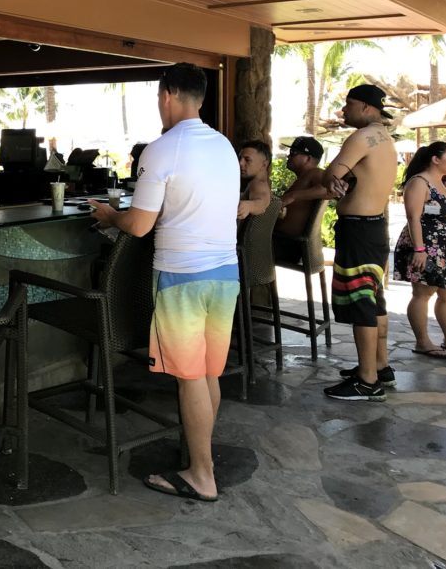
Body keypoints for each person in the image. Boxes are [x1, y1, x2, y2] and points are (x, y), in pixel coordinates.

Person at [89, 63, 238, 503]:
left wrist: (107, 215)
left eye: (159, 96)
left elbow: (137, 225)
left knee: (189, 376)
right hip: (224, 272)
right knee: (208, 372)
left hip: (182, 276)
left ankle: (201, 474)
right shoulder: (223, 146)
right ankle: (201, 456)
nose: (159, 104)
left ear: (168, 94)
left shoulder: (162, 149)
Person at [322, 83, 398, 401]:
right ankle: (379, 367)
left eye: (348, 104)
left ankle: (367, 381)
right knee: (374, 298)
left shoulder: (362, 137)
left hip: (359, 230)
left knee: (360, 301)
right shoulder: (387, 140)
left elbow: (333, 174)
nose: (344, 110)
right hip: (375, 228)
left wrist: (328, 178)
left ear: (367, 107)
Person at [391, 142, 446, 359]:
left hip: (443, 246)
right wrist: (419, 249)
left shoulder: (443, 181)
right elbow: (413, 217)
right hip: (424, 245)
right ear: (436, 159)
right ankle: (422, 342)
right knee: (423, 293)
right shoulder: (419, 182)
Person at [273, 136, 328, 262]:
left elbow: (329, 190)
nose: (288, 156)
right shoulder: (303, 179)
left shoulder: (316, 173)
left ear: (308, 158)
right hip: (281, 241)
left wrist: (293, 195)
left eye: (293, 153)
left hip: (287, 244)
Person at [237, 140, 272, 221]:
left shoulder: (258, 184)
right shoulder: (261, 183)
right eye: (240, 159)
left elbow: (262, 203)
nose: (240, 163)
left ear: (264, 164)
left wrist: (249, 206)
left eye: (247, 159)